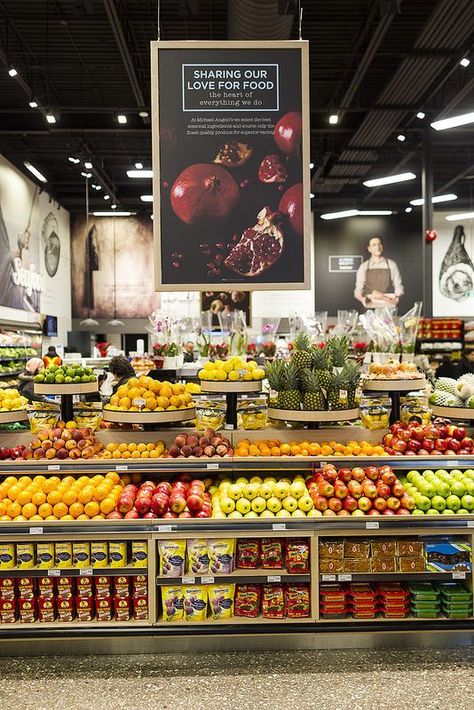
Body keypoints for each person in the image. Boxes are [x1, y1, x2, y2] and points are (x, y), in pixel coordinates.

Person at [354, 236, 404, 309]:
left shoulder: (391, 265)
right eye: (374, 245)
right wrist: (363, 300)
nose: (377, 247)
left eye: (379, 244)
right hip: (370, 308)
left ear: (382, 246)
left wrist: (396, 298)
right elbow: (358, 290)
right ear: (369, 249)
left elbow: (398, 286)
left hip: (388, 308)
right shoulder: (364, 267)